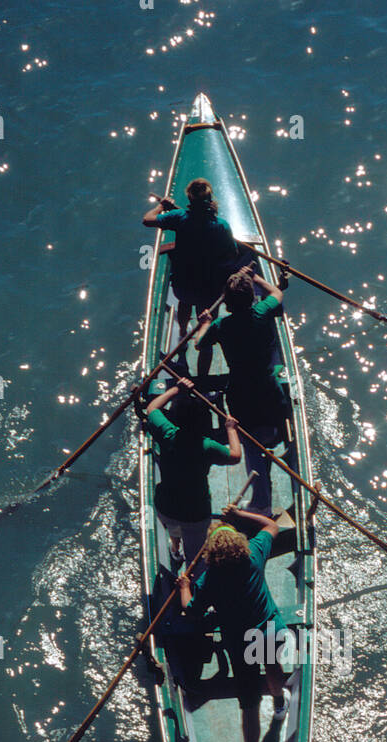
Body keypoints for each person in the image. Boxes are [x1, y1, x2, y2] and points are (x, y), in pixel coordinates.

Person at [178, 506, 291, 742]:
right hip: (269, 630)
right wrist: (240, 514)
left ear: (212, 554)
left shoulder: (209, 579)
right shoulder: (254, 553)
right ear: (239, 542)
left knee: (249, 704)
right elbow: (272, 526)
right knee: (273, 664)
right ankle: (279, 704)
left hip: (242, 646)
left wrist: (183, 586)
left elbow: (191, 611)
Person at [195, 263, 291, 514]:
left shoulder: (222, 326)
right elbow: (277, 294)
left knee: (250, 446)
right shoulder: (261, 312)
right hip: (268, 389)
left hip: (241, 394)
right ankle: (274, 455)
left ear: (226, 302)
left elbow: (199, 344)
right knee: (269, 432)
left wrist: (205, 322)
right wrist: (258, 277)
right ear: (251, 298)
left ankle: (261, 502)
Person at [141, 378, 241, 569]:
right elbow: (235, 456)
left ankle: (175, 549)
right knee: (195, 557)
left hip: (166, 506)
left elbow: (152, 408)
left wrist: (175, 390)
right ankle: (192, 581)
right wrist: (231, 430)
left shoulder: (167, 433)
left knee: (174, 530)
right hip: (196, 513)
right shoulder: (206, 446)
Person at [142, 180, 239, 358]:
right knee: (207, 320)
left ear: (190, 199)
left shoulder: (179, 217)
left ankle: (182, 333)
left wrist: (161, 207)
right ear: (210, 200)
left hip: (183, 285)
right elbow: (232, 255)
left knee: (185, 302)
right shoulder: (221, 225)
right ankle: (205, 347)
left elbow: (147, 220)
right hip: (209, 289)